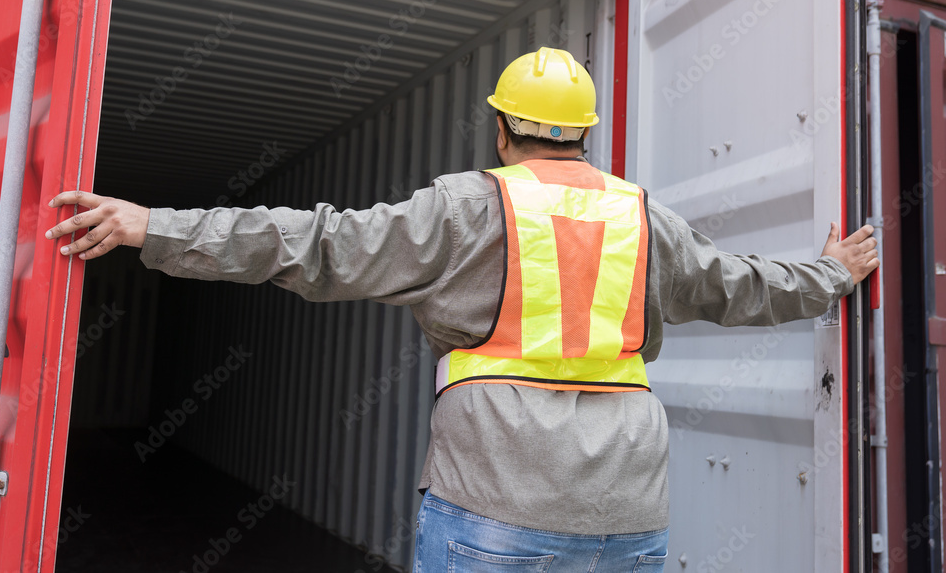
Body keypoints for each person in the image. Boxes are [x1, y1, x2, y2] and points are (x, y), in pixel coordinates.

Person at [46, 47, 878, 572]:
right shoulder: (641, 214)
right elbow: (743, 285)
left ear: (502, 131)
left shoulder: (467, 207)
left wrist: (153, 226)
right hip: (629, 514)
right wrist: (832, 272)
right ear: (582, 134)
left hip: (497, 505)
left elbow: (316, 243)